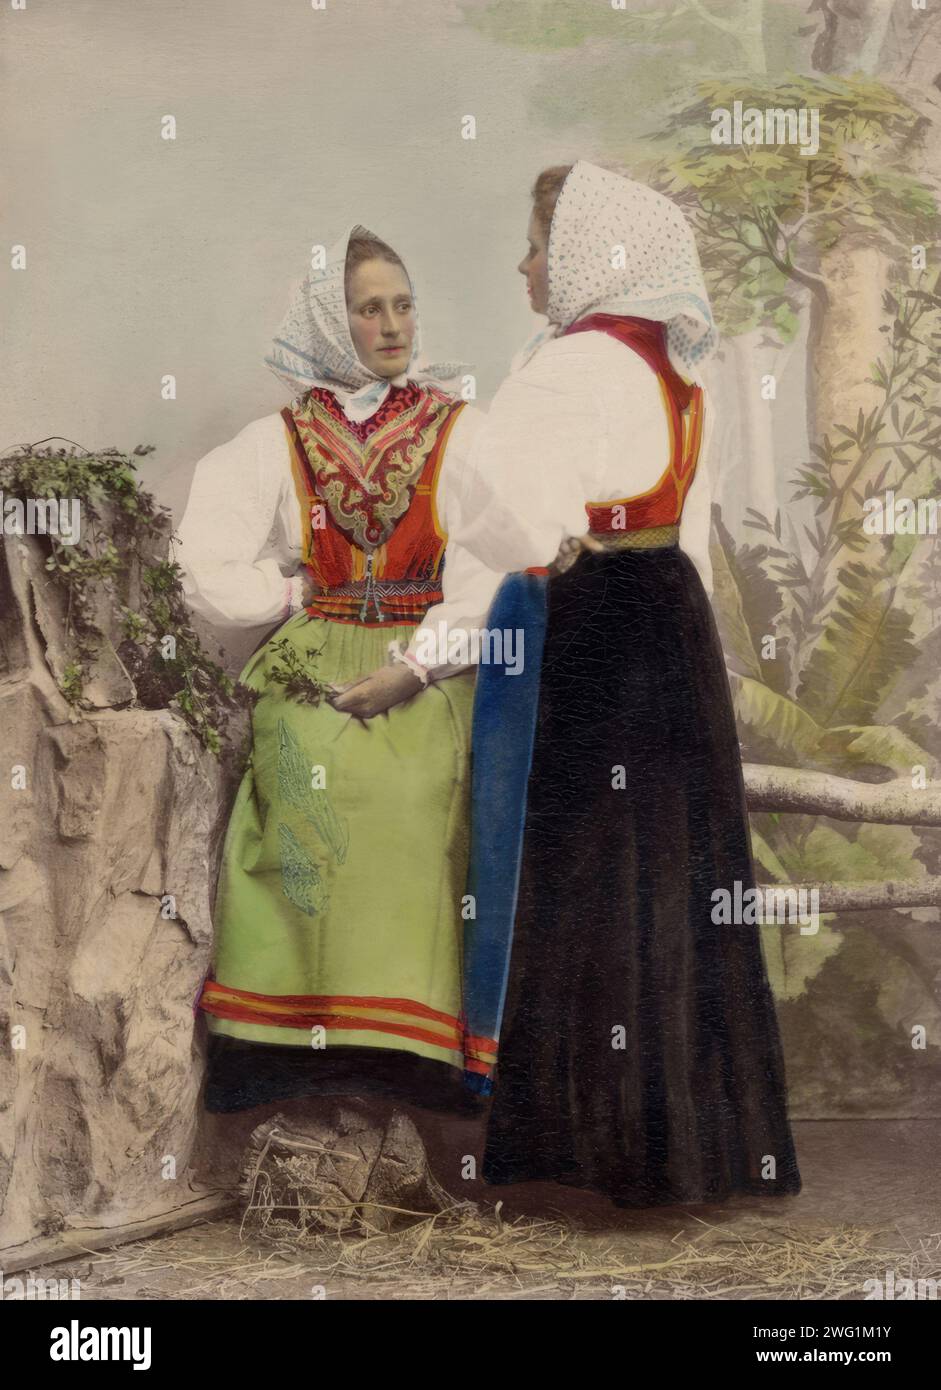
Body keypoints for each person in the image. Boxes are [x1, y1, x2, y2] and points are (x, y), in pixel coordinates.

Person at [453, 162, 802, 1205]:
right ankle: (697, 1150)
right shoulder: (680, 368)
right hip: (673, 618)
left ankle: (592, 1154)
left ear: (582, 254)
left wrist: (540, 551)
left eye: (536, 244)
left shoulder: (567, 367)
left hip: (602, 620)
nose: (524, 265)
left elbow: (497, 508)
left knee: (588, 864)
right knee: (676, 870)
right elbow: (691, 529)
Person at [174, 225, 502, 1114]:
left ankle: (409, 1052)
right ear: (332, 323)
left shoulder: (460, 431)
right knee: (300, 792)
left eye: (402, 305)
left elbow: (488, 573)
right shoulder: (276, 440)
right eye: (368, 308)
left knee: (410, 794)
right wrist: (287, 596)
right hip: (315, 653)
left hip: (425, 660)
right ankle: (287, 1047)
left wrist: (416, 668)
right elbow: (199, 565)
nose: (391, 325)